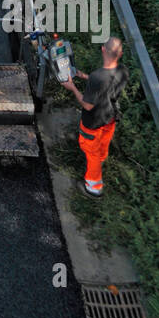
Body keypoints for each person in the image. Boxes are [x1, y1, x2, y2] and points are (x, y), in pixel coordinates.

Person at [61, 36, 129, 197]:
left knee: (91, 152)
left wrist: (72, 88)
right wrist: (85, 76)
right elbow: (107, 84)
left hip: (93, 122)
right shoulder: (123, 71)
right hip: (110, 117)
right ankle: (100, 159)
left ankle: (93, 186)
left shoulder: (98, 77)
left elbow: (87, 105)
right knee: (102, 146)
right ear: (120, 53)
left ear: (103, 50)